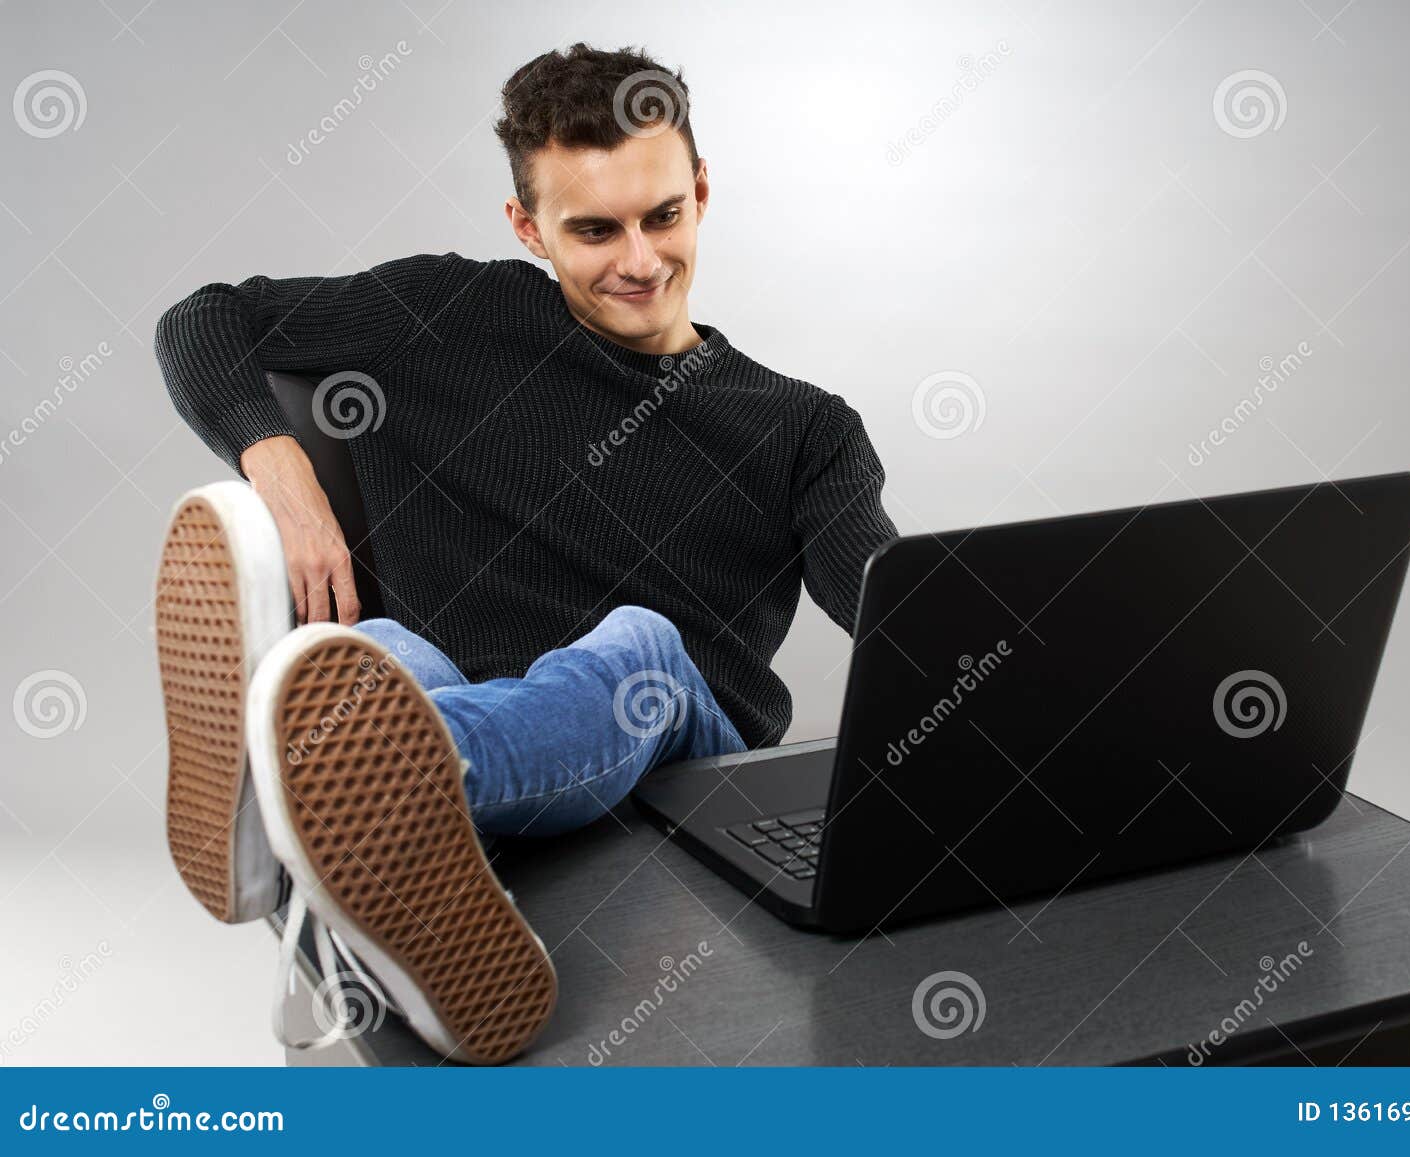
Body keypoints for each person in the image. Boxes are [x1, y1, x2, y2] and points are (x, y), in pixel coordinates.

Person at [151, 43, 896, 1065]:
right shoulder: (455, 313)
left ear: (701, 192)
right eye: (593, 229)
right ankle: (396, 836)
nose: (638, 260)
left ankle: (307, 795)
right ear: (527, 227)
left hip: (675, 751)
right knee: (382, 656)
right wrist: (279, 468)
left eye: (662, 216)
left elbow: (896, 609)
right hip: (470, 719)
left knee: (636, 640)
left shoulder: (804, 427)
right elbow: (204, 320)